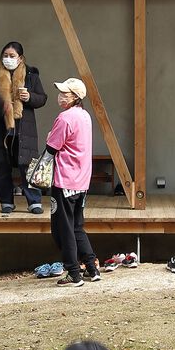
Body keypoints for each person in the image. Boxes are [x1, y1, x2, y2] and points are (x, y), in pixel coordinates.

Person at [45, 79, 101, 284]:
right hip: (82, 179)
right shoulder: (85, 116)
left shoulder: (65, 117)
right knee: (77, 226)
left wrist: (49, 137)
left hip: (64, 178)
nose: (61, 96)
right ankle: (92, 268)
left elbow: (52, 147)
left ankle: (73, 272)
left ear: (75, 97)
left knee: (63, 228)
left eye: (65, 93)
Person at [0, 41, 48, 216]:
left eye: (12, 56)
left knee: (27, 165)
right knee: (2, 164)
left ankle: (34, 202)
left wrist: (29, 97)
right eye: (5, 56)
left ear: (20, 58)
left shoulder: (31, 74)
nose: (8, 59)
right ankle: (6, 201)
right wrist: (2, 105)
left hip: (24, 127)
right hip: (1, 126)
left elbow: (42, 98)